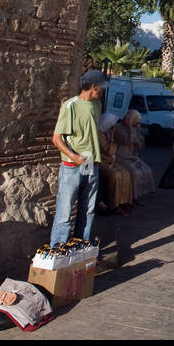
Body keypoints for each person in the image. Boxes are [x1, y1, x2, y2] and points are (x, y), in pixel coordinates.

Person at [49, 69, 106, 244]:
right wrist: (73, 156)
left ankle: (81, 245)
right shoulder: (70, 106)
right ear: (94, 87)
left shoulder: (97, 105)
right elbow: (56, 139)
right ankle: (58, 248)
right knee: (65, 211)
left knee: (88, 209)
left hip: (91, 162)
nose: (104, 91)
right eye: (102, 88)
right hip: (72, 165)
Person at [97, 112, 134, 214]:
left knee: (126, 174)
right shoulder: (99, 134)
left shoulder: (108, 131)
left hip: (110, 160)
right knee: (116, 176)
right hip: (102, 162)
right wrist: (113, 139)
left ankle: (125, 201)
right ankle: (115, 204)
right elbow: (109, 150)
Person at [115, 108, 156, 199]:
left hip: (132, 157)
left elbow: (140, 145)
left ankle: (140, 194)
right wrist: (130, 129)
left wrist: (137, 132)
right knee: (135, 173)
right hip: (122, 157)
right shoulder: (118, 128)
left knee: (147, 170)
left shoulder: (135, 129)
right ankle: (132, 197)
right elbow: (126, 140)